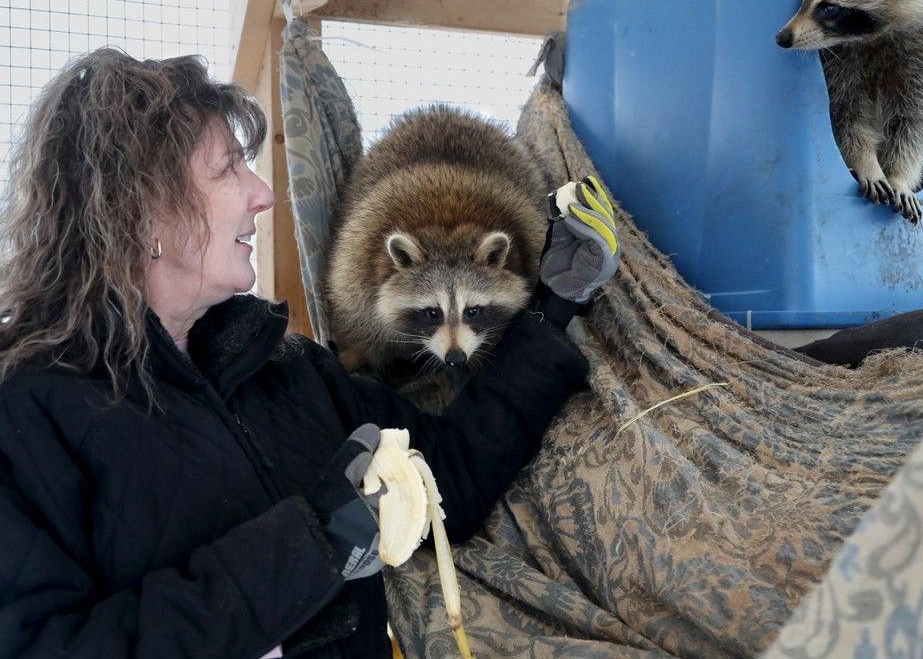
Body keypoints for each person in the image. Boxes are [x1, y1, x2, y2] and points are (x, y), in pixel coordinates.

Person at [0, 49, 620, 658]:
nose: (263, 194)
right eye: (229, 170)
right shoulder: (28, 410)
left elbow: (450, 479)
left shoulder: (285, 369)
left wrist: (551, 310)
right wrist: (310, 544)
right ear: (142, 208)